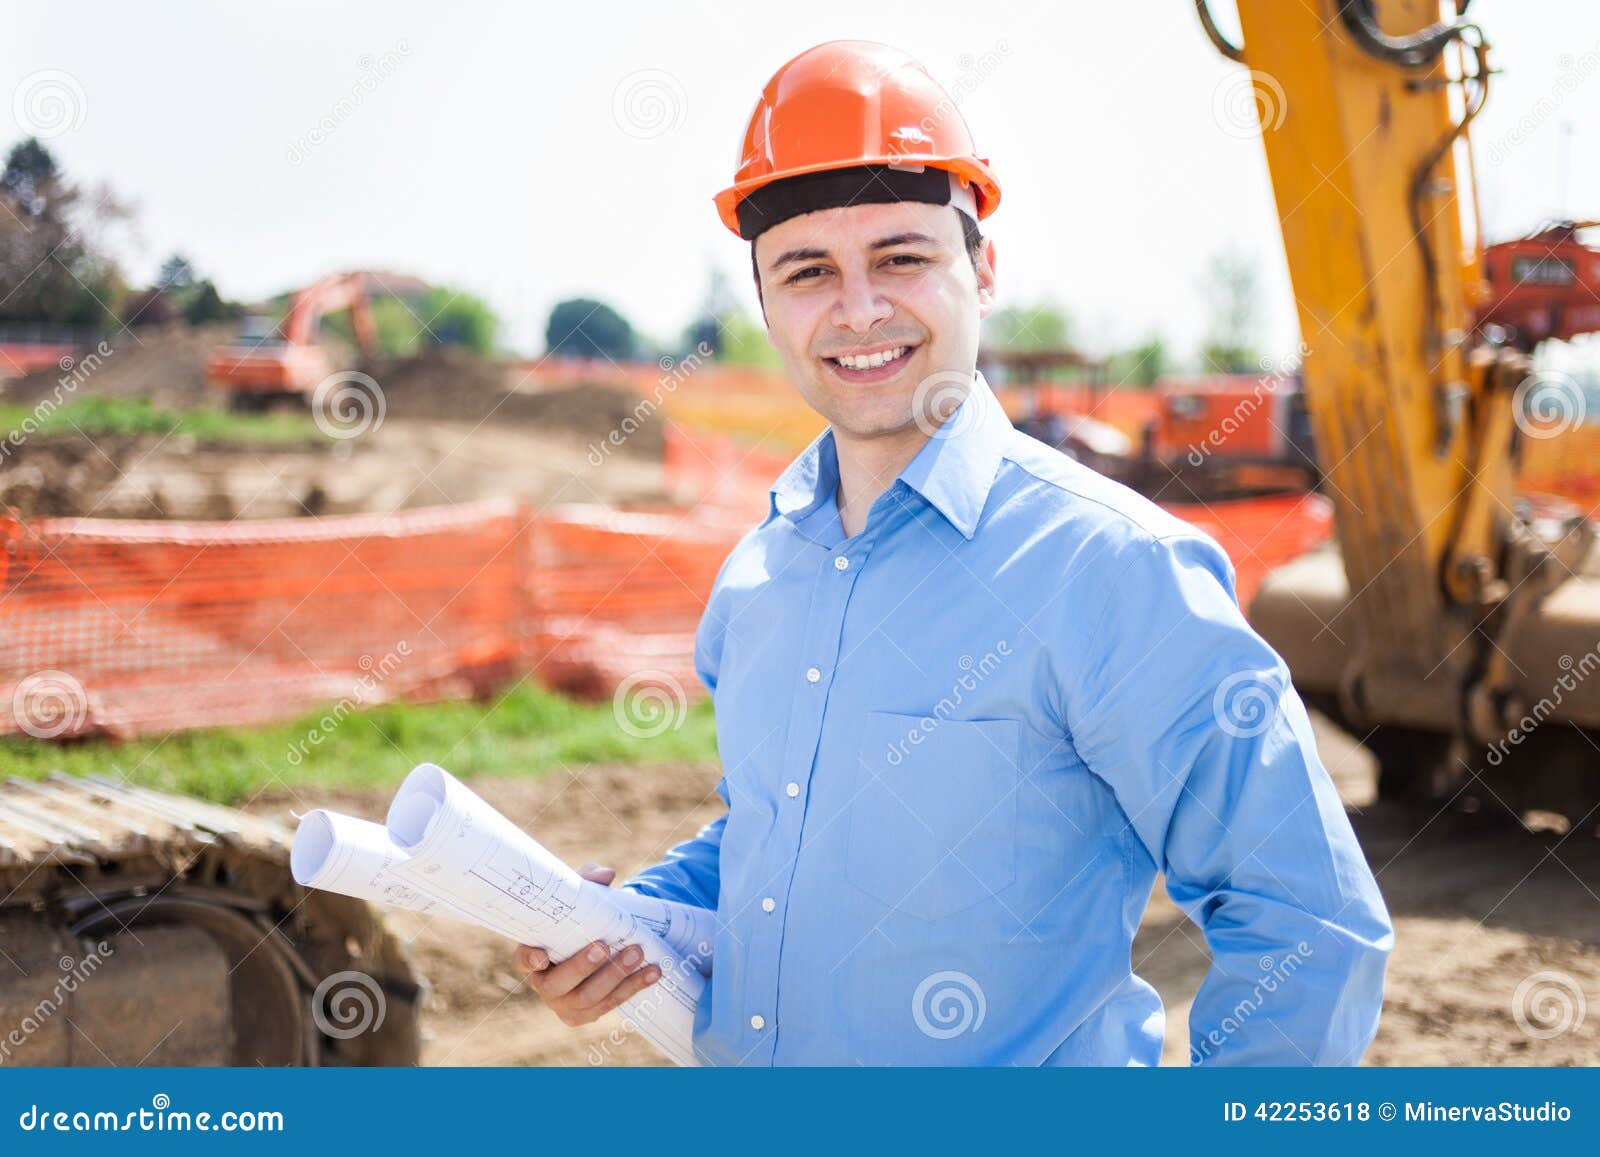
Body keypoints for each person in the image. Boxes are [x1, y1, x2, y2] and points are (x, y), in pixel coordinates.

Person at [517, 39, 1392, 1066]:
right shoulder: (761, 572)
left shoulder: (1111, 568)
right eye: (808, 271)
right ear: (763, 302)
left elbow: (1308, 921)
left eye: (900, 257)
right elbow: (778, 835)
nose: (857, 309)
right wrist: (630, 923)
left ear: (981, 266)